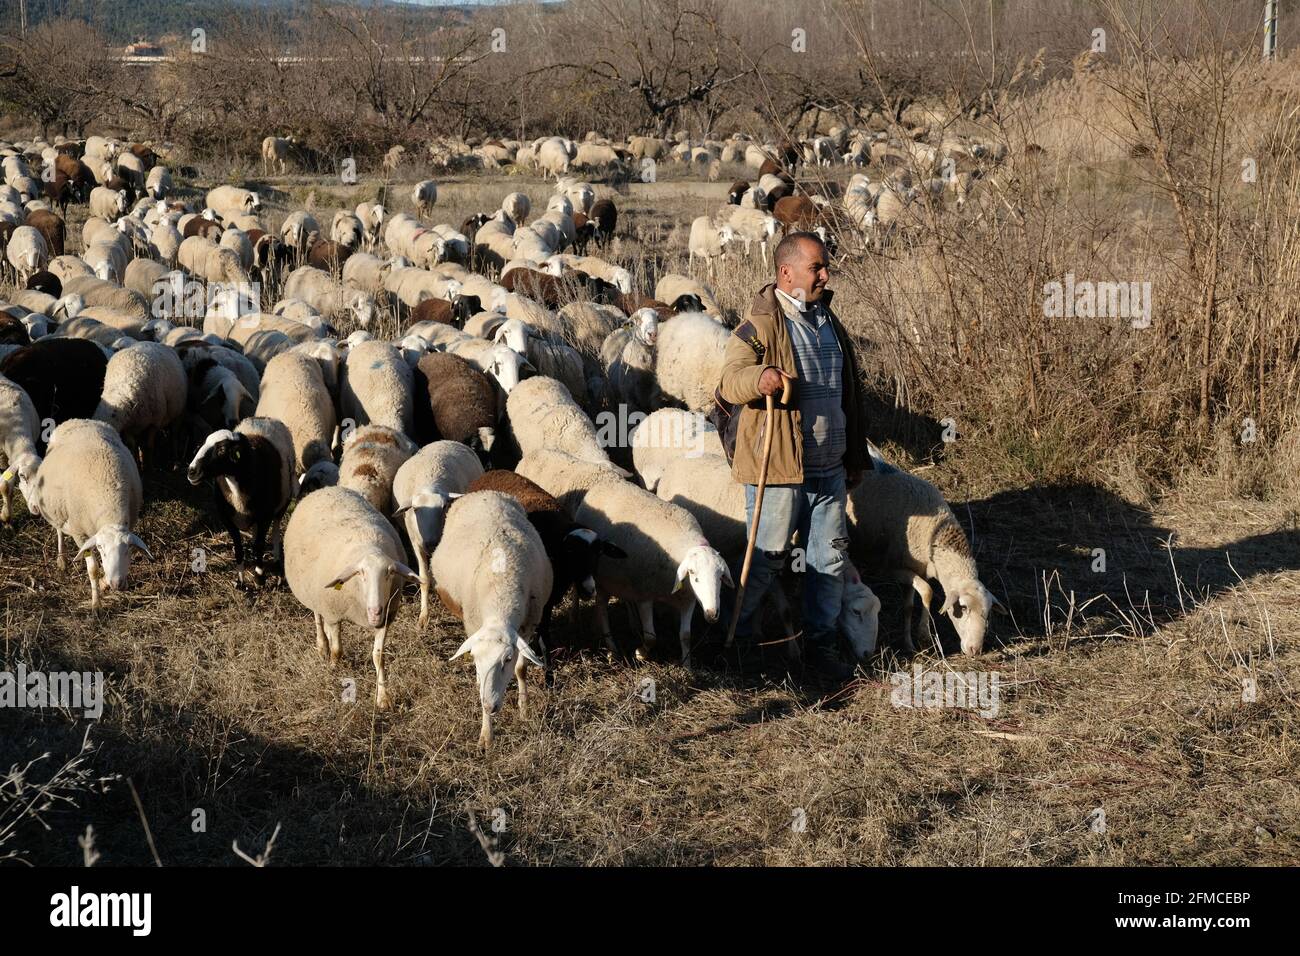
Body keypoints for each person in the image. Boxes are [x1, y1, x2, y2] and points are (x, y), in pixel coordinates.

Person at [717, 231, 869, 682]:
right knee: (765, 560)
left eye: (824, 267)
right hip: (781, 468)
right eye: (816, 267)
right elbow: (730, 379)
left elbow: (850, 396)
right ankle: (737, 643)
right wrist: (760, 376)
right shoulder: (761, 325)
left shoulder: (829, 321)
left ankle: (820, 645)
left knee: (829, 561)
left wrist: (854, 456)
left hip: (830, 469)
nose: (826, 274)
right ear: (787, 273)